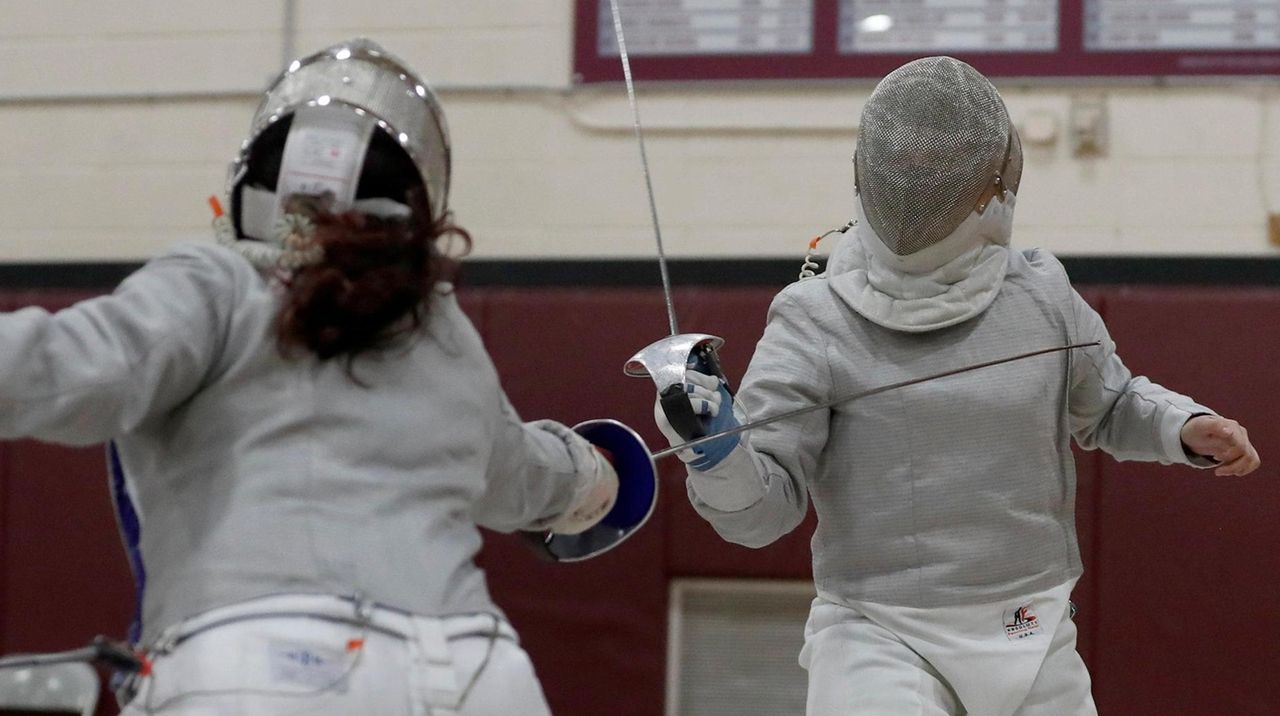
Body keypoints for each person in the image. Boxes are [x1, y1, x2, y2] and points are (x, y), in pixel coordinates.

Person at [0, 39, 632, 715]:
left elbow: (56, 369)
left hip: (265, 662)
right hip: (479, 672)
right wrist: (600, 474)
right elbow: (530, 479)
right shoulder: (439, 328)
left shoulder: (215, 284)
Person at [652, 56, 1260, 716]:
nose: (920, 180)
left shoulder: (1040, 295)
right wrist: (717, 453)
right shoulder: (815, 319)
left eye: (937, 164)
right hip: (878, 633)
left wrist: (1181, 426)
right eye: (908, 164)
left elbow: (1109, 403)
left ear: (982, 182)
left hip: (1032, 626)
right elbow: (763, 512)